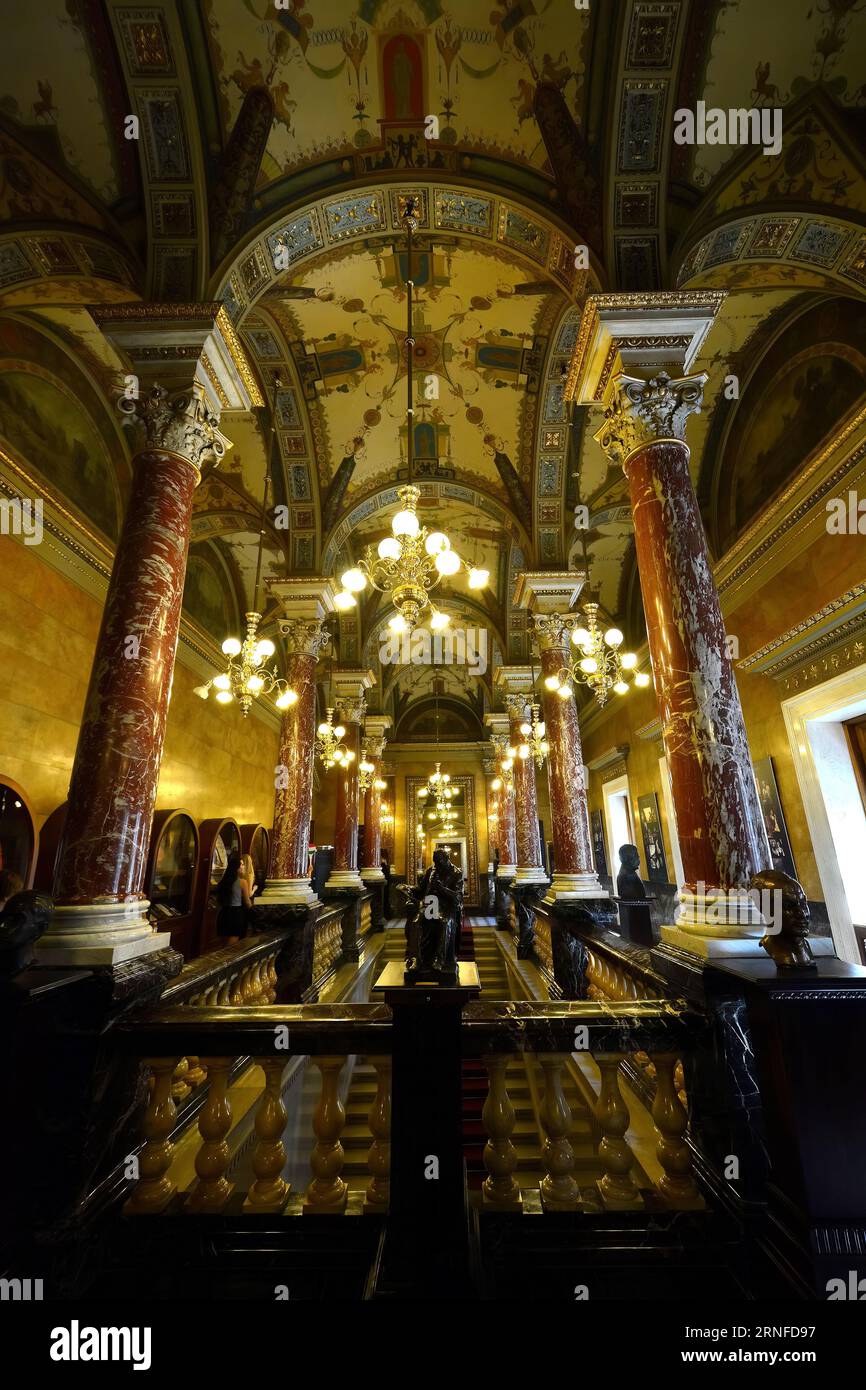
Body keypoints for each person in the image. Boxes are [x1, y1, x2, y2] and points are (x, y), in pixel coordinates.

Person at [215, 852, 252, 944]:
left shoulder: (224, 882)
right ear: (237, 868)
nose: (243, 867)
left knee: (223, 943)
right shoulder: (242, 882)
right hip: (236, 914)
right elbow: (247, 902)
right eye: (242, 865)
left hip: (223, 913)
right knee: (232, 945)